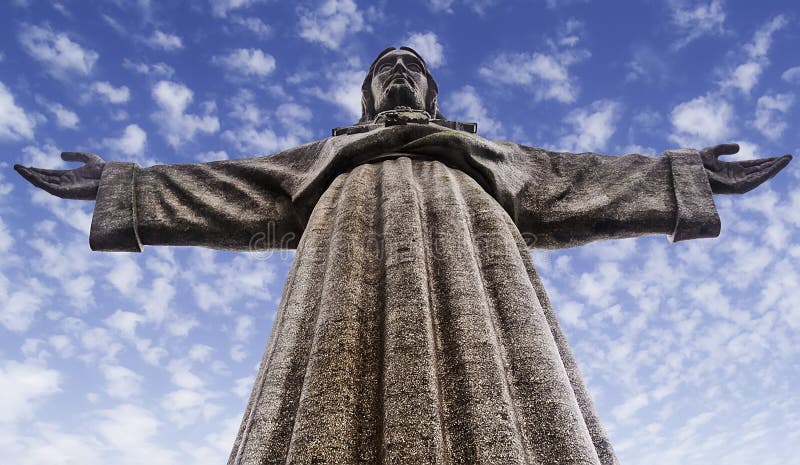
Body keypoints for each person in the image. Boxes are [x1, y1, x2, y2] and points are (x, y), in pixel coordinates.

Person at [15, 47, 791, 465]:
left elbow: (581, 179)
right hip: (344, 246)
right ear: (366, 96)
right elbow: (223, 186)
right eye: (384, 67)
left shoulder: (486, 155)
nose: (396, 72)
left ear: (430, 91)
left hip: (476, 245)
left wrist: (680, 175)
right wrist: (126, 188)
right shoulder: (327, 158)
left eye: (410, 66)